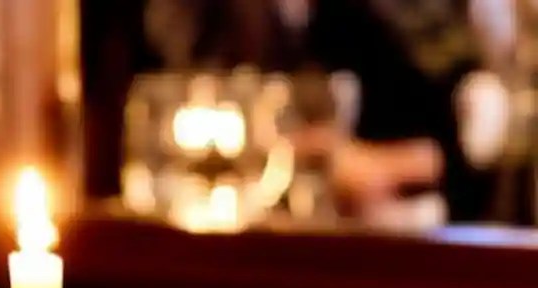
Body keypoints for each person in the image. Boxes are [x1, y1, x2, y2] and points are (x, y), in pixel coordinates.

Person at [142, 0, 482, 224]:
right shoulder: (205, 15)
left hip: (352, 255)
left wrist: (362, 162)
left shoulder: (367, 20)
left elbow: (440, 153)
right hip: (222, 244)